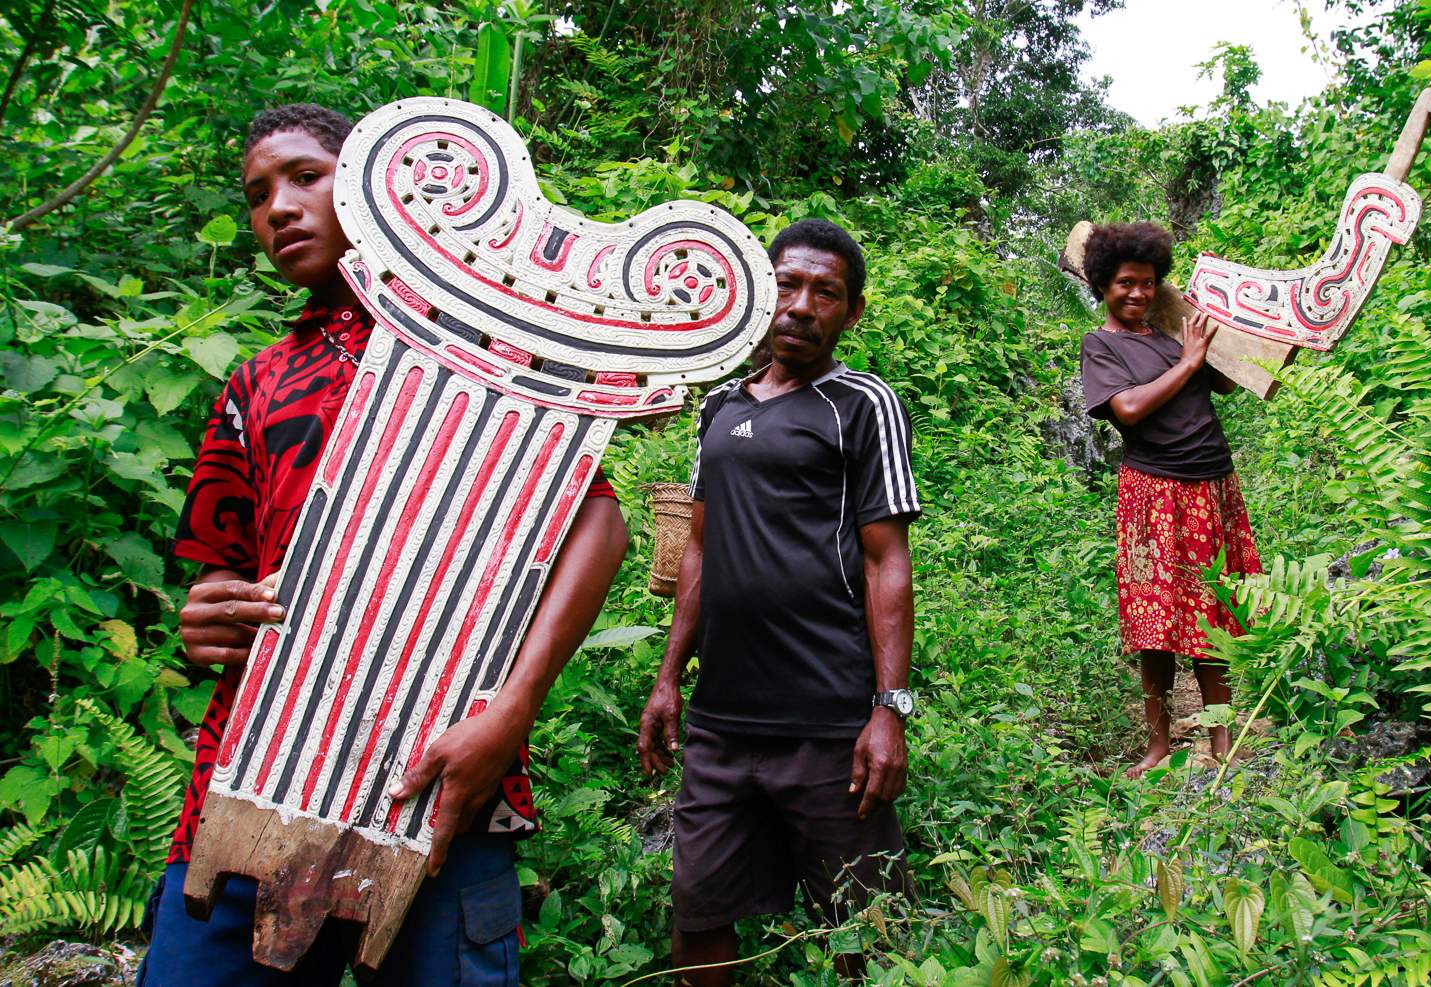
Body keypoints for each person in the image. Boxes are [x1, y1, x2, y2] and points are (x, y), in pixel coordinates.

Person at [140, 104, 629, 986]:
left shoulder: (480, 353)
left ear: (374, 183)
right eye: (257, 194)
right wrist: (206, 619)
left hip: (439, 778)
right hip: (256, 771)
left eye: (305, 176)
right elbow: (221, 578)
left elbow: (597, 522)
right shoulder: (256, 384)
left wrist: (512, 710)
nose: (278, 207)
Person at [636, 218, 921, 985]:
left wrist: (888, 708)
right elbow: (699, 548)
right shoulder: (719, 408)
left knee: (867, 928)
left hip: (829, 722)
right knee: (699, 915)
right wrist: (668, 679)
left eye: (825, 292)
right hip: (721, 724)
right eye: (786, 284)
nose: (800, 305)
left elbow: (887, 560)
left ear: (852, 312)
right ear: (759, 291)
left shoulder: (861, 403)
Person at [1076, 221, 1262, 778]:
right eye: (1125, 283)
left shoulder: (1171, 332)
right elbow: (1128, 409)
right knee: (1152, 619)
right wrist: (1187, 361)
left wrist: (1230, 334)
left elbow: (1229, 381)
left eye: (1148, 282)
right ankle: (1158, 745)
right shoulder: (1101, 345)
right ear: (1102, 285)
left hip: (1211, 483)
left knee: (1212, 613)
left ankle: (1222, 740)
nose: (1138, 293)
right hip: (1153, 490)